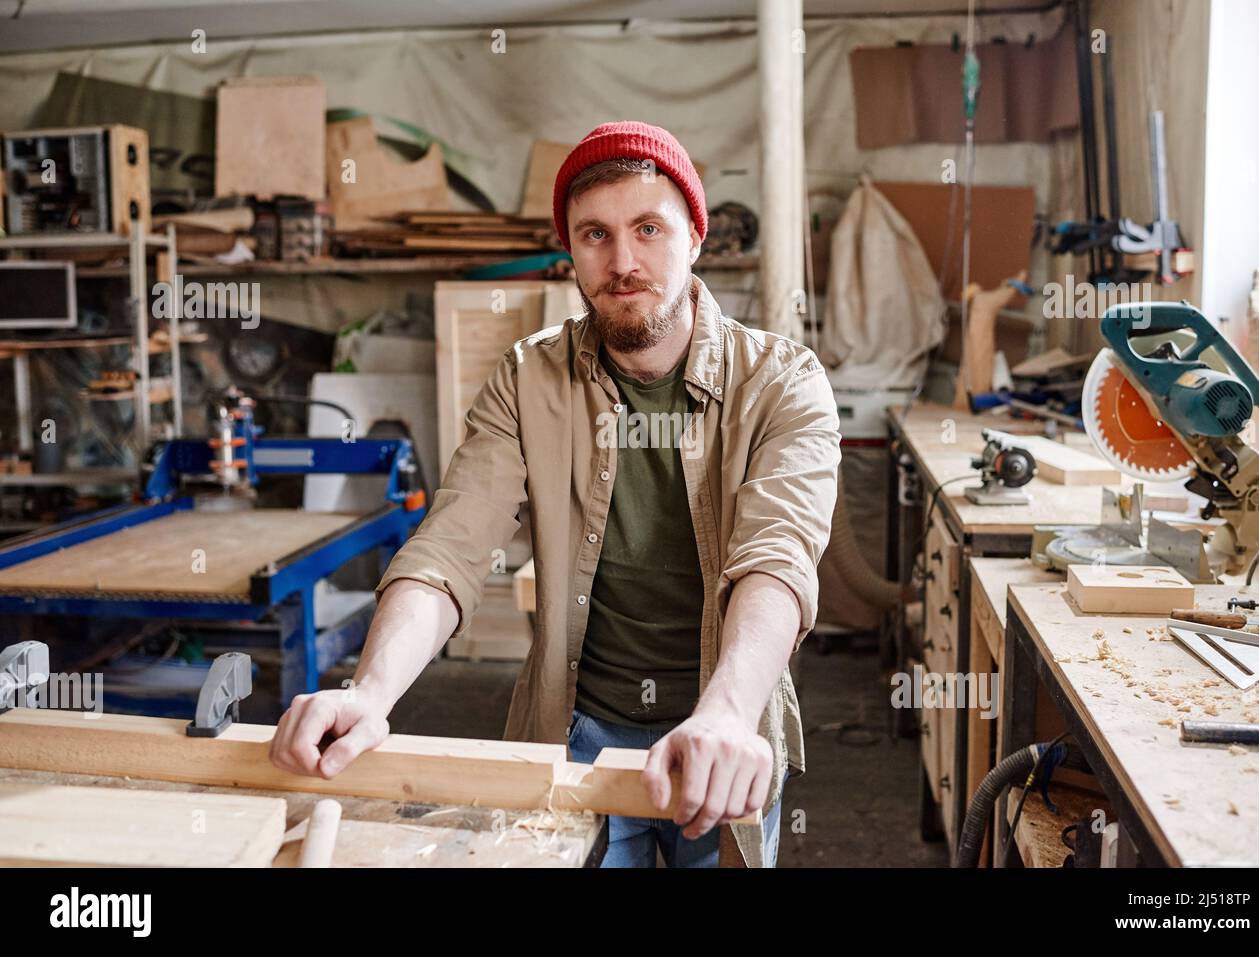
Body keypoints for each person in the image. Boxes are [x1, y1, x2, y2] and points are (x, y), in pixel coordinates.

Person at [270, 121, 841, 867]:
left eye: (648, 229)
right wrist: (369, 694)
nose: (624, 261)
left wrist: (728, 715)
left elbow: (779, 555)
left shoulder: (782, 382)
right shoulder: (526, 378)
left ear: (695, 236)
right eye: (596, 235)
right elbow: (451, 547)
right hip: (577, 732)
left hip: (722, 736)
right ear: (569, 251)